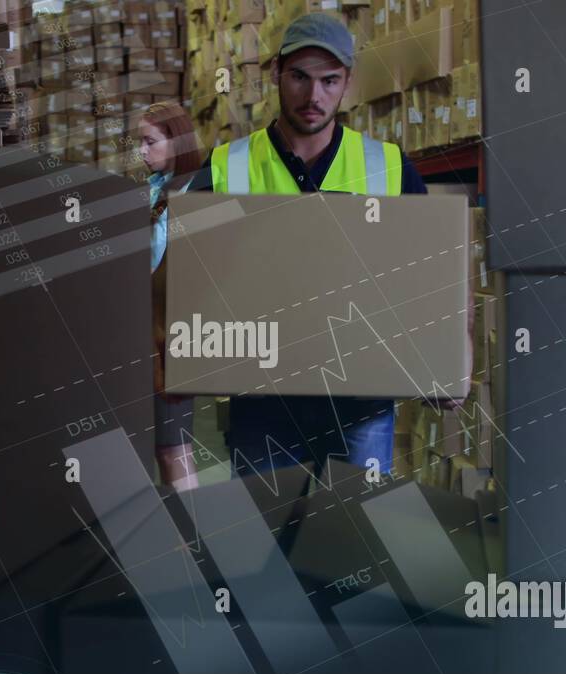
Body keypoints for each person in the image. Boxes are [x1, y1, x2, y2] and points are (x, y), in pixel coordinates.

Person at [185, 12, 471, 480]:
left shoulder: (389, 169)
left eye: (329, 80)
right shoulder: (225, 169)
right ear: (276, 72)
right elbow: (177, 274)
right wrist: (170, 354)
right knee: (265, 542)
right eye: (299, 77)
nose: (313, 95)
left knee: (356, 542)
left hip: (361, 403)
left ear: (348, 82)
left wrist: (453, 356)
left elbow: (441, 268)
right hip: (263, 402)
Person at [137, 102, 203, 491]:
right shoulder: (155, 188)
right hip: (150, 329)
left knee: (173, 446)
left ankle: (193, 534)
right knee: (164, 446)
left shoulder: (195, 190)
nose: (142, 151)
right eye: (139, 142)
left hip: (173, 334)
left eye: (150, 141)